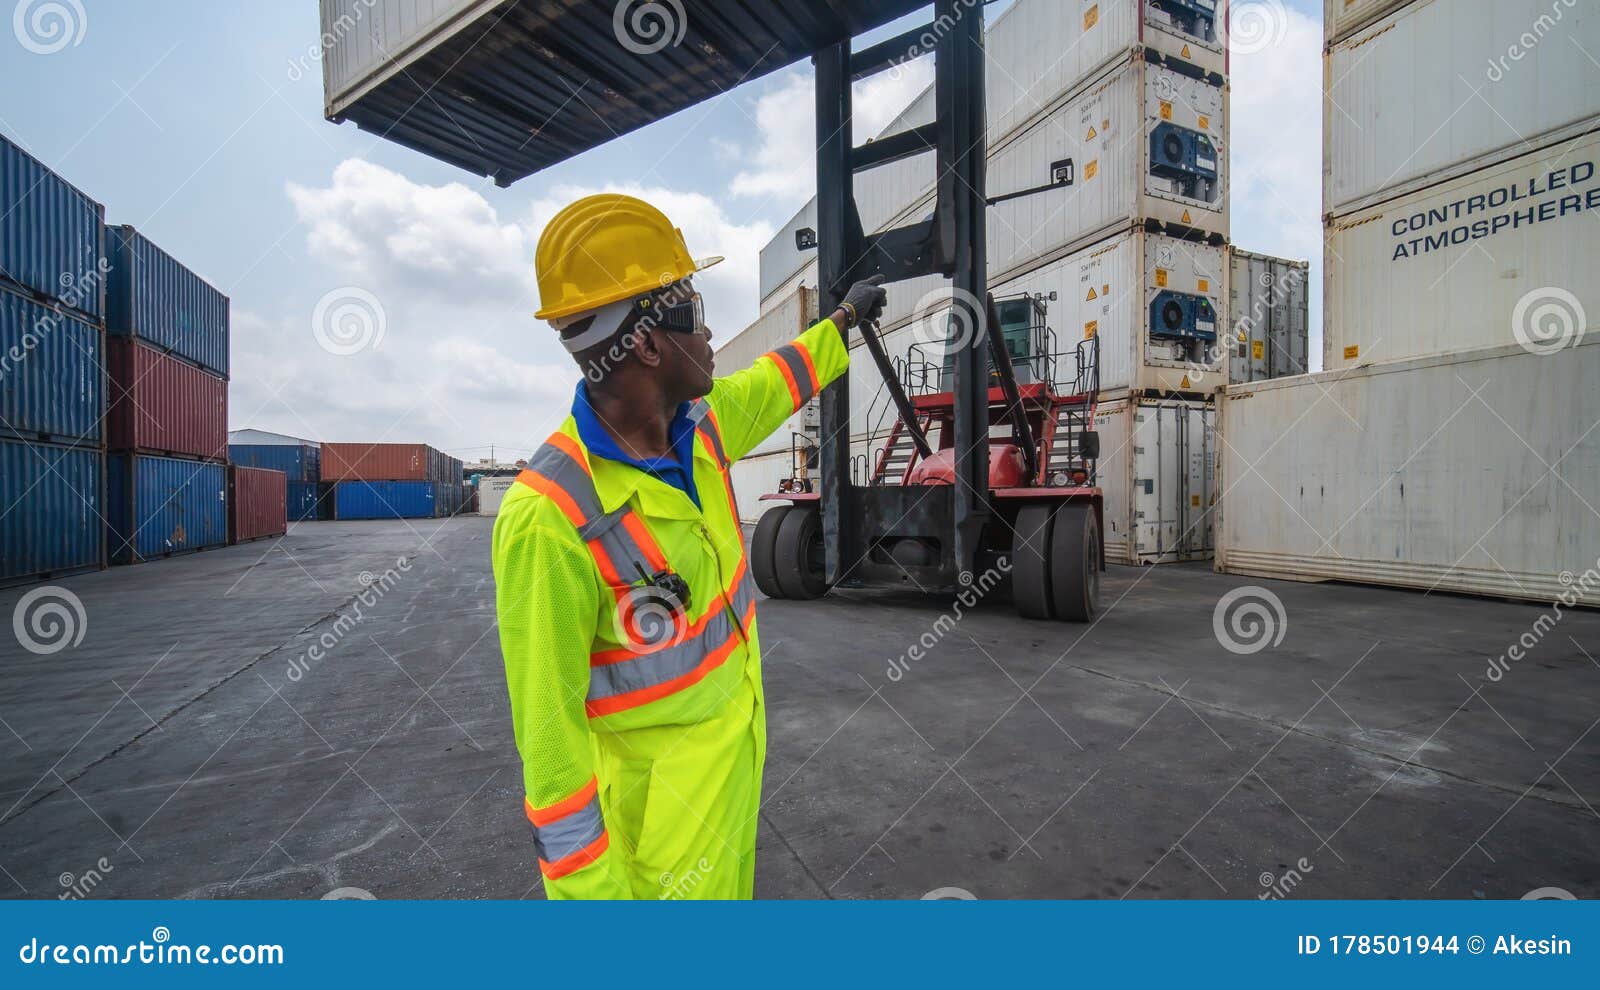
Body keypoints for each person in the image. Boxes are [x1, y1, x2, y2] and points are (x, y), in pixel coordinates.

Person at [493, 193, 888, 899]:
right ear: (646, 343)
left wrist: (845, 320)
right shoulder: (547, 518)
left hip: (726, 790)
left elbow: (776, 381)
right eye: (696, 317)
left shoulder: (697, 428)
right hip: (653, 860)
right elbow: (551, 757)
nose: (711, 339)